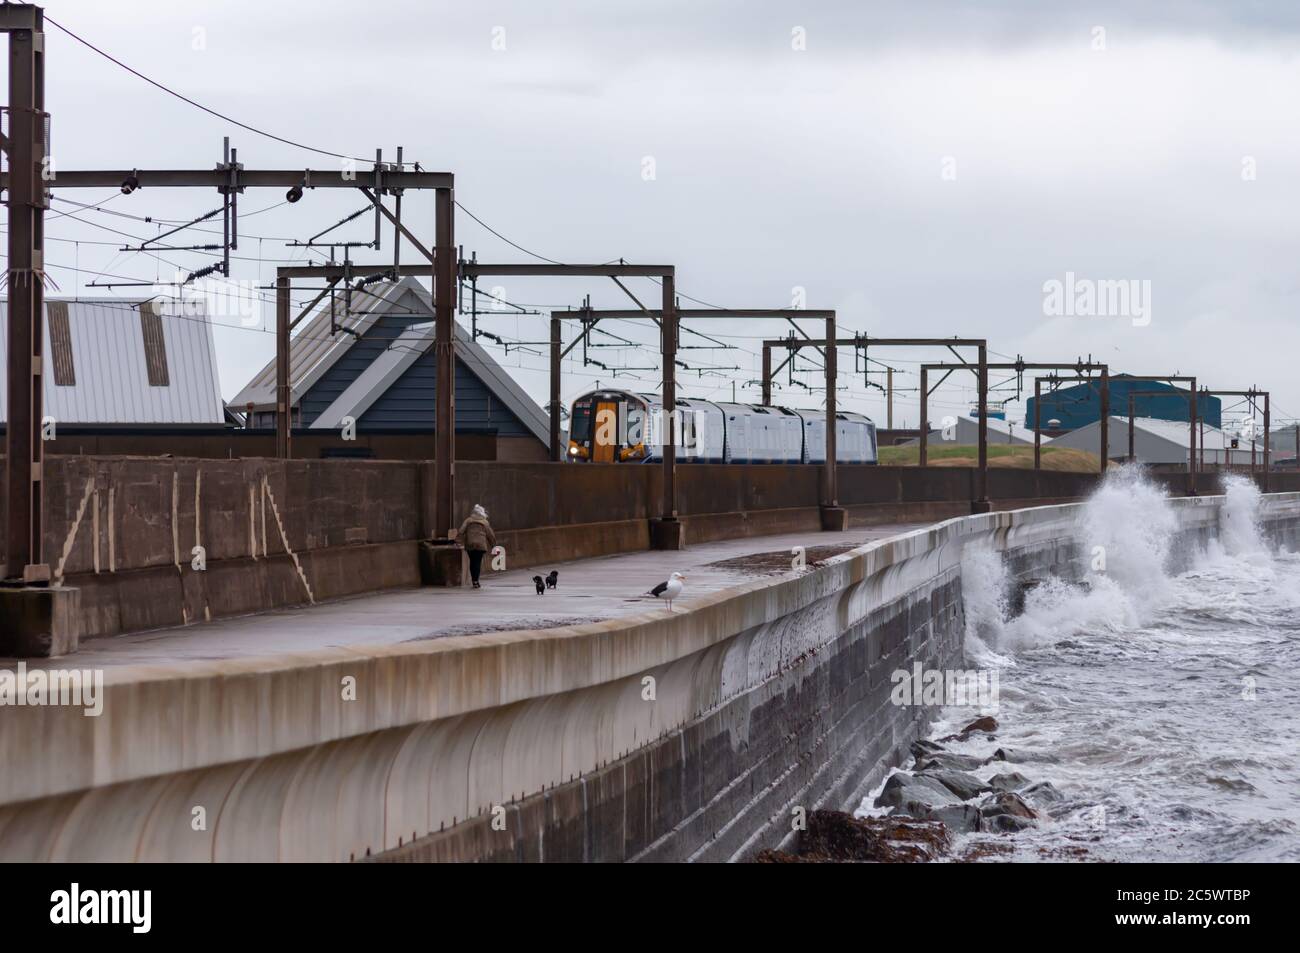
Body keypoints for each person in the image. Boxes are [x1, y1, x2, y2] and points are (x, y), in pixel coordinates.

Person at [457, 504, 496, 589]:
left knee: (472, 562)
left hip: (470, 544)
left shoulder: (468, 520)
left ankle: (474, 580)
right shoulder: (485, 522)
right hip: (481, 545)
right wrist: (493, 545)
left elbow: (461, 531)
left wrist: (458, 540)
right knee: (477, 562)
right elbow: (490, 535)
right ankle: (476, 581)